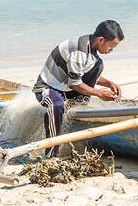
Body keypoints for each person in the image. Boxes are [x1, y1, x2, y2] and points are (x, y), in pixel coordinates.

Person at [33, 20, 124, 155]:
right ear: (101, 40)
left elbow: (81, 74)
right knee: (56, 106)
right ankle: (51, 154)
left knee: (98, 65)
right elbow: (75, 83)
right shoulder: (80, 51)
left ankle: (73, 108)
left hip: (67, 88)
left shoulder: (90, 49)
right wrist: (99, 93)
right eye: (111, 47)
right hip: (48, 87)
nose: (111, 51)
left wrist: (109, 84)